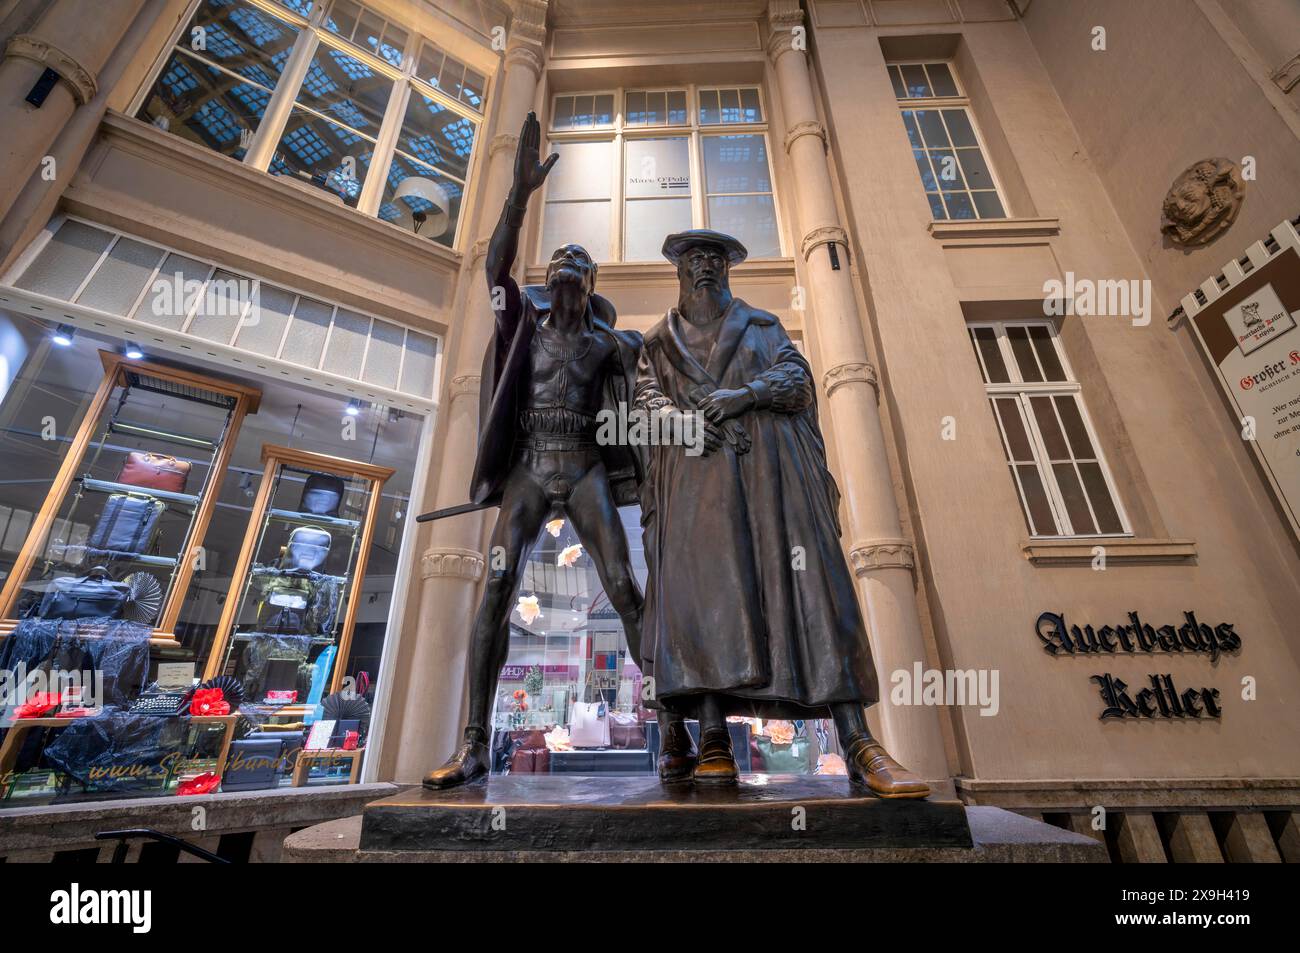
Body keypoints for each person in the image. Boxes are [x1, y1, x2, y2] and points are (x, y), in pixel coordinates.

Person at [422, 113, 692, 788]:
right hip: (530, 468)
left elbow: (658, 387)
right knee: (495, 587)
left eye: (580, 261)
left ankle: (677, 732)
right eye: (559, 260)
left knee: (626, 590)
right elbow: (492, 263)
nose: (567, 264)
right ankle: (475, 741)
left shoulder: (610, 345)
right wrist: (519, 195)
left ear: (592, 281)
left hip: (585, 466)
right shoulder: (520, 324)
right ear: (548, 278)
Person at [633, 229, 930, 797]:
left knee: (813, 590)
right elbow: (646, 406)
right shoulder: (657, 344)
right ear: (677, 270)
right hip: (696, 488)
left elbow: (798, 381)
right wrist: (690, 423)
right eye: (694, 259)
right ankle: (713, 734)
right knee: (702, 603)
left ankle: (858, 741)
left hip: (772, 485)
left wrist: (742, 397)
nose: (705, 268)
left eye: (715, 259)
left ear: (728, 270)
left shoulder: (765, 328)